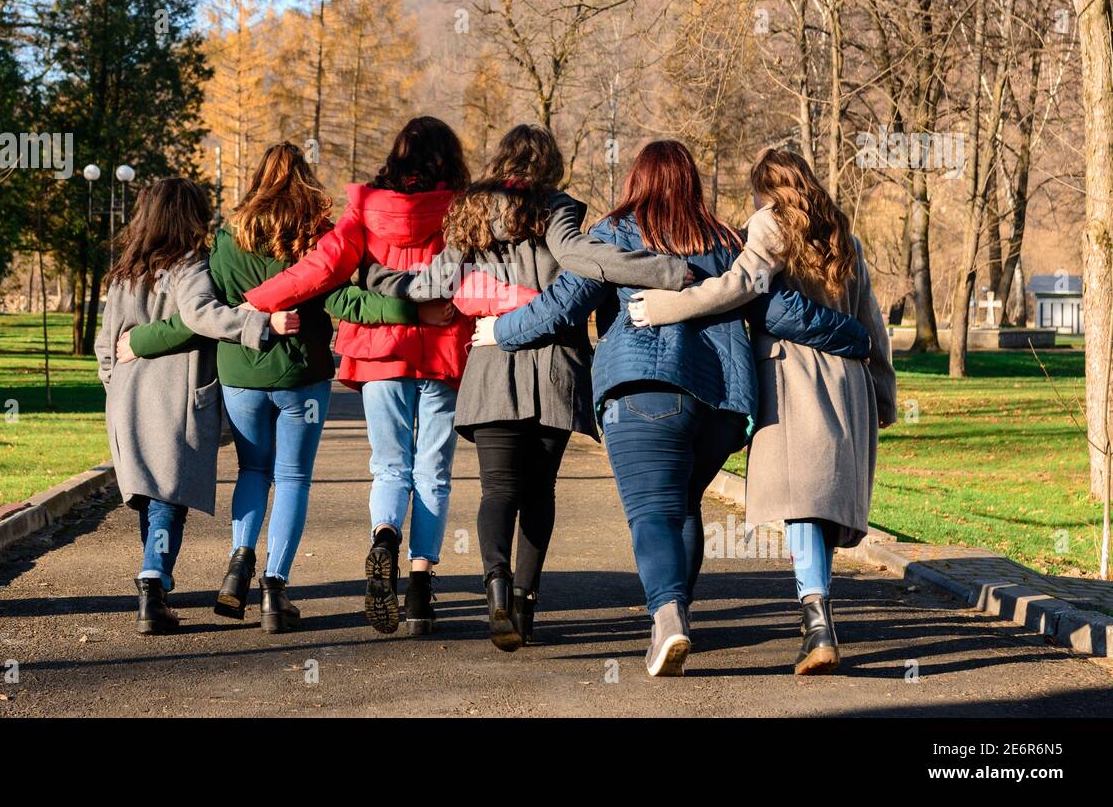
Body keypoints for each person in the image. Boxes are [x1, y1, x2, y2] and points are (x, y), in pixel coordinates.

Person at [472, 140, 872, 675]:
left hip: (642, 391)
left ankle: (667, 618)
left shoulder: (613, 235)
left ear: (636, 181)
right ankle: (678, 614)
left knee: (652, 512)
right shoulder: (726, 239)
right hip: (722, 404)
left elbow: (563, 304)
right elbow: (780, 311)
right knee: (683, 504)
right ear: (691, 184)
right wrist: (855, 335)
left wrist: (499, 331)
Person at [369, 124, 694, 650]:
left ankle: (495, 588)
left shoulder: (470, 210)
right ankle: (524, 603)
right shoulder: (557, 209)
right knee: (540, 491)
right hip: (555, 368)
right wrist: (666, 271)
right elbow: (587, 263)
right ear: (552, 164)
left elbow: (434, 281)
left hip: (492, 364)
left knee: (498, 489)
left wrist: (378, 279)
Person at [117, 143, 419, 633]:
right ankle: (274, 591)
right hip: (303, 376)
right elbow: (347, 299)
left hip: (242, 377)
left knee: (253, 471)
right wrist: (411, 311)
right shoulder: (318, 238)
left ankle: (240, 560)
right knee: (294, 478)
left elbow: (199, 318)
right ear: (306, 181)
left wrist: (141, 341)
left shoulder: (226, 239)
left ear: (257, 180)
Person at [628, 147, 896, 674]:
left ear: (766, 191)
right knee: (819, 502)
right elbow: (873, 325)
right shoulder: (844, 235)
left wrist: (666, 306)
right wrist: (884, 395)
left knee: (801, 499)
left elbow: (739, 285)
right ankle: (816, 618)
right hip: (849, 383)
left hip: (795, 377)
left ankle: (818, 624)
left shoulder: (770, 225)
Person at [241, 117, 469, 636]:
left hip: (381, 354)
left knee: (390, 467)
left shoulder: (365, 209)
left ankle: (384, 537)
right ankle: (418, 595)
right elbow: (481, 272)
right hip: (444, 353)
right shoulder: (461, 210)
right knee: (433, 471)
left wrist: (253, 303)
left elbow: (318, 271)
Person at [95, 177, 300, 635]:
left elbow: (104, 345)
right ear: (190, 217)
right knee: (171, 497)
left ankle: (155, 585)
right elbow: (199, 316)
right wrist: (258, 324)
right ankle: (153, 581)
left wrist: (113, 385)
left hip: (127, 400)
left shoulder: (125, 272)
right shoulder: (190, 266)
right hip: (174, 399)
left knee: (151, 495)